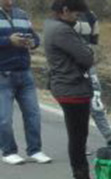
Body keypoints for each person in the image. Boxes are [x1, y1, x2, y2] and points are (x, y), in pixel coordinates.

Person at [44, 0, 108, 179]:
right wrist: (88, 51)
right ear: (64, 11)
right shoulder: (62, 30)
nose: (77, 19)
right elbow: (87, 58)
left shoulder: (52, 26)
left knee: (78, 137)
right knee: (78, 139)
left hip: (66, 85)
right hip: (72, 88)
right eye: (76, 14)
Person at [0, 0, 51, 165]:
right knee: (4, 118)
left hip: (25, 72)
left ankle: (35, 150)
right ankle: (9, 152)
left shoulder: (22, 14)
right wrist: (8, 41)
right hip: (3, 74)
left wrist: (32, 42)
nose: (10, 1)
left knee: (33, 115)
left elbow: (34, 36)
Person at [74, 9, 111, 148]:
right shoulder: (61, 14)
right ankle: (79, 144)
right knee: (77, 108)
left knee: (96, 103)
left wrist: (91, 60)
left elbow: (94, 42)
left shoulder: (90, 15)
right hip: (69, 68)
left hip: (88, 66)